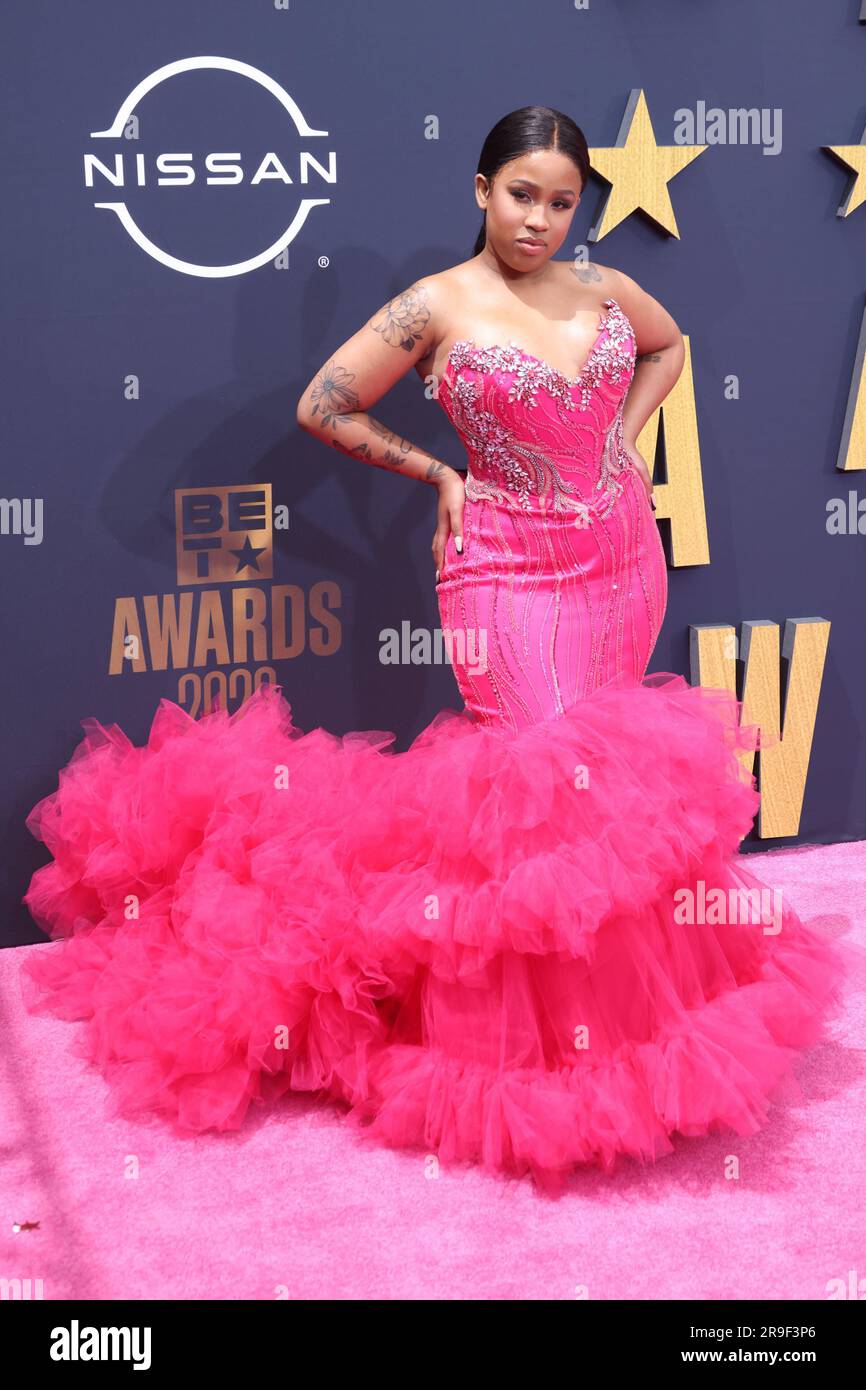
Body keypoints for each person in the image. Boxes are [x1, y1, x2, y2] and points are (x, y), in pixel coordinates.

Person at [21, 106, 856, 1192]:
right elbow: (325, 403)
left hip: (616, 558)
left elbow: (670, 343)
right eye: (521, 195)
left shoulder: (601, 290)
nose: (540, 220)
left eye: (561, 201)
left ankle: (641, 1023)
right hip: (503, 567)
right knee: (538, 787)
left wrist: (622, 434)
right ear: (478, 190)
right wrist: (439, 476)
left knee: (616, 803)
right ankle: (528, 1056)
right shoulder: (435, 304)